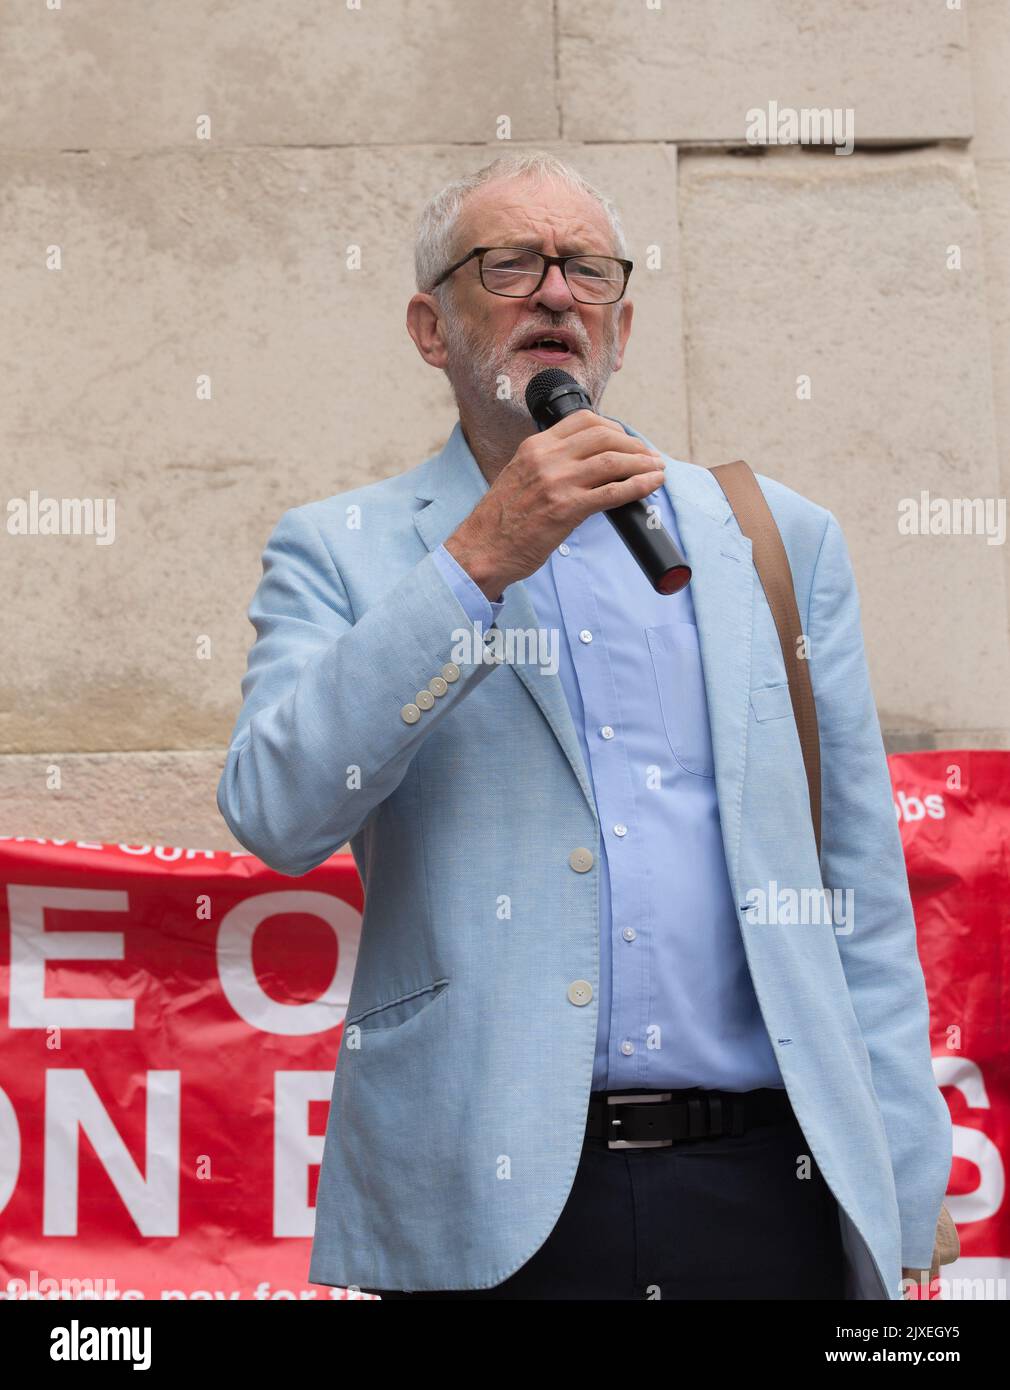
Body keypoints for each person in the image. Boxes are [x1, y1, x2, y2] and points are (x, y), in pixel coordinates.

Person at [216, 151, 952, 1299]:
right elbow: (276, 812)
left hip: (771, 1186)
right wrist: (472, 567)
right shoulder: (344, 549)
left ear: (619, 322)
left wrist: (905, 1194)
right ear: (429, 325)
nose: (555, 292)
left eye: (586, 269)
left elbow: (852, 885)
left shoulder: (770, 539)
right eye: (508, 264)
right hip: (488, 1195)